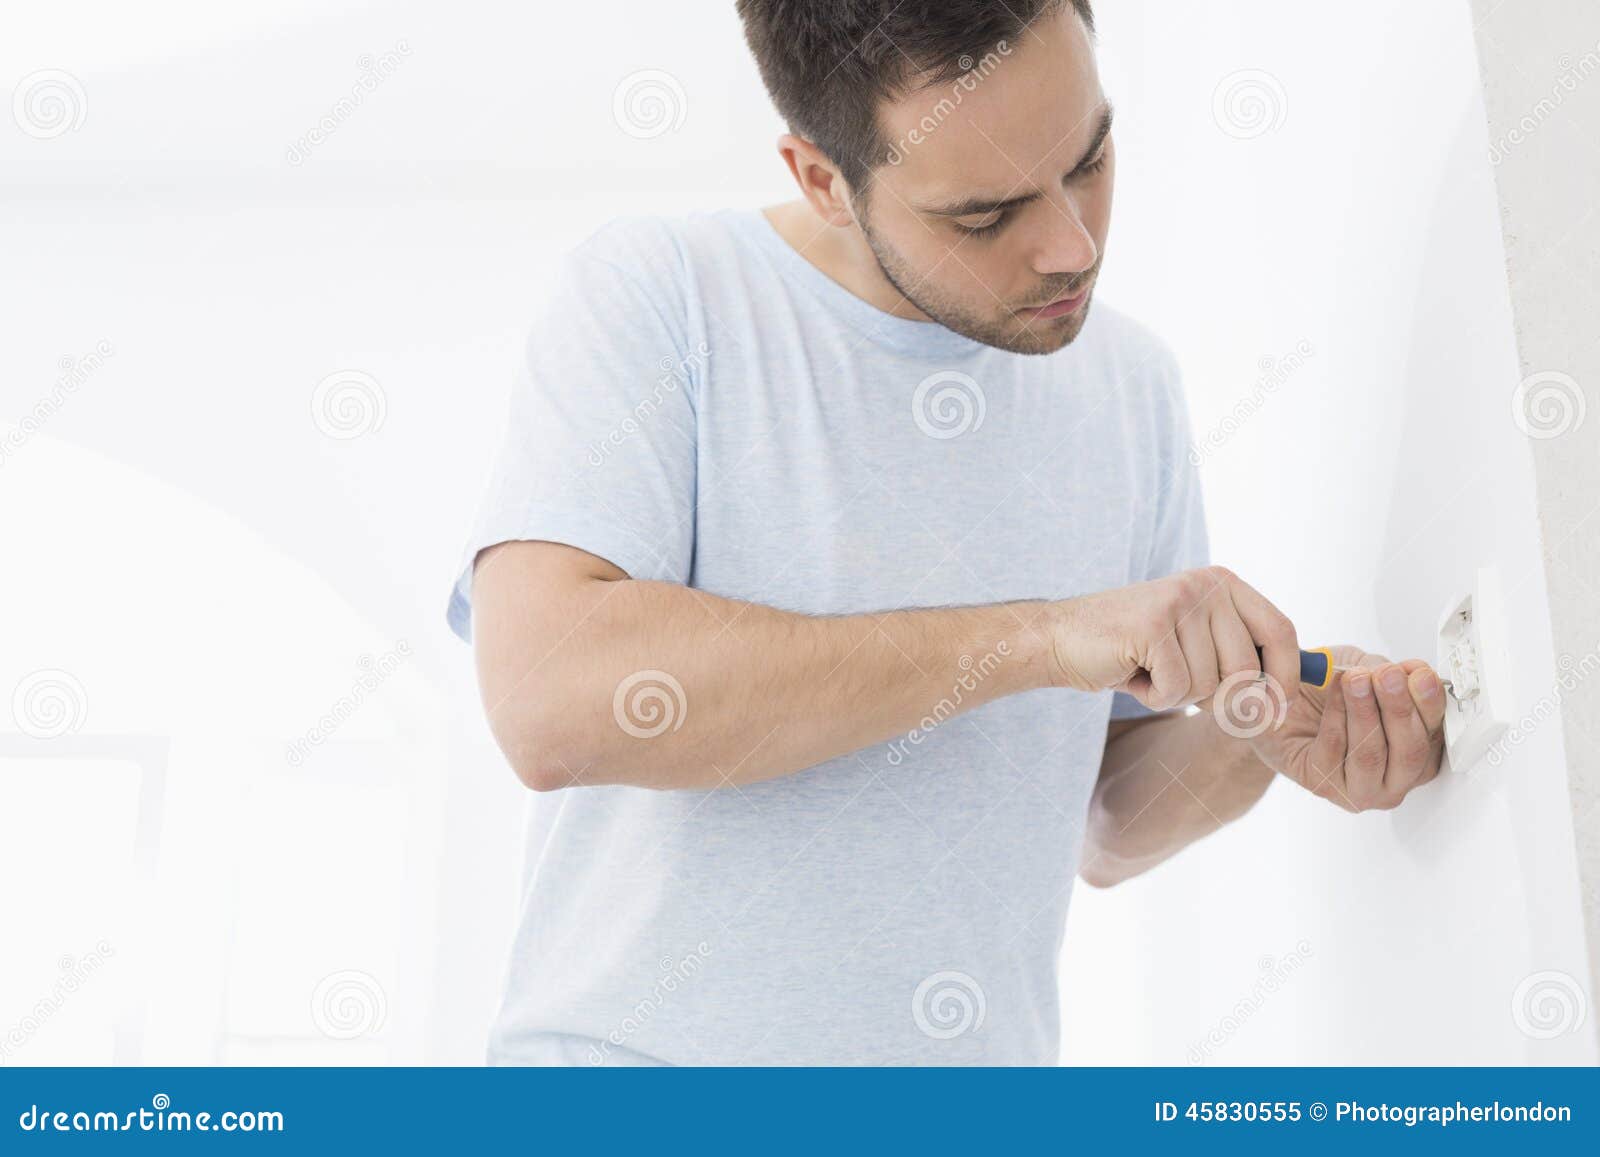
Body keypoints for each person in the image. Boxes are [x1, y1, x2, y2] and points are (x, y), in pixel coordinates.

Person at [447, 0, 1446, 1065]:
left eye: (1092, 158)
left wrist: (1254, 727)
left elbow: (1101, 817)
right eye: (986, 216)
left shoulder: (1129, 387)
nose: (1070, 245)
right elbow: (549, 701)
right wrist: (1044, 638)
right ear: (821, 179)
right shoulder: (662, 298)